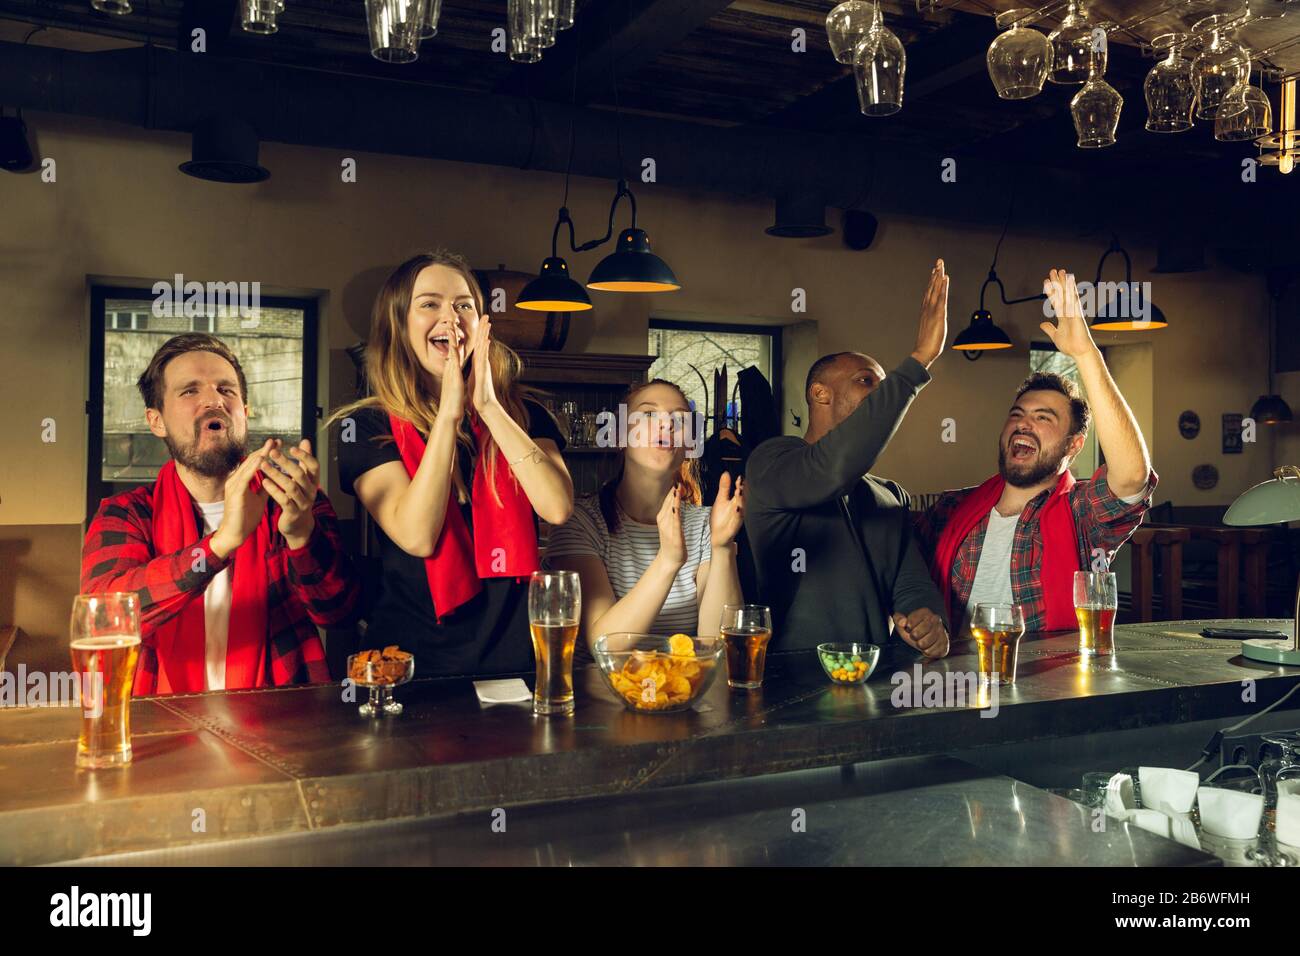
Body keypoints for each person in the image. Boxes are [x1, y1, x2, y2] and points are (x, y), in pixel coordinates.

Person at [332, 251, 574, 676]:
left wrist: (488, 406)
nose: (451, 319)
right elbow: (418, 536)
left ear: (482, 324)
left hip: (516, 663)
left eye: (464, 305)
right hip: (411, 664)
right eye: (429, 304)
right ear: (399, 324)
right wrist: (448, 414)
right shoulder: (366, 425)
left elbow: (556, 507)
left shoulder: (524, 416)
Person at [81, 333, 359, 696]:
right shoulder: (126, 514)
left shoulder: (292, 500)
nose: (213, 400)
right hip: (160, 728)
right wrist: (221, 544)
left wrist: (301, 533)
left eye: (227, 390)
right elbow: (103, 620)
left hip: (280, 728)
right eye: (190, 391)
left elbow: (338, 613)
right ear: (156, 421)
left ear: (244, 413)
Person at [914, 269, 1157, 636]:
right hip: (956, 683)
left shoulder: (1082, 515)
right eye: (1017, 415)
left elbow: (1132, 476)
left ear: (1074, 445)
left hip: (1053, 689)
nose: (1023, 424)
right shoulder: (950, 509)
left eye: (1043, 418)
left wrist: (1084, 353)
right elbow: (894, 569)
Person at [745, 260, 951, 660]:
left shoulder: (890, 496)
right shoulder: (772, 462)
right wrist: (917, 363)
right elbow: (830, 470)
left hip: (874, 688)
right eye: (865, 380)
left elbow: (910, 586)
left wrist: (929, 623)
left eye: (882, 381)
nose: (881, 390)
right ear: (820, 394)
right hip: (787, 688)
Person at [545, 379, 745, 656]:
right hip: (601, 693)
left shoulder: (705, 524)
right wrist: (668, 561)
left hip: (682, 688)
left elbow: (717, 645)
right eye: (649, 415)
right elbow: (605, 646)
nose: (667, 425)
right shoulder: (581, 522)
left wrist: (722, 549)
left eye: (680, 419)